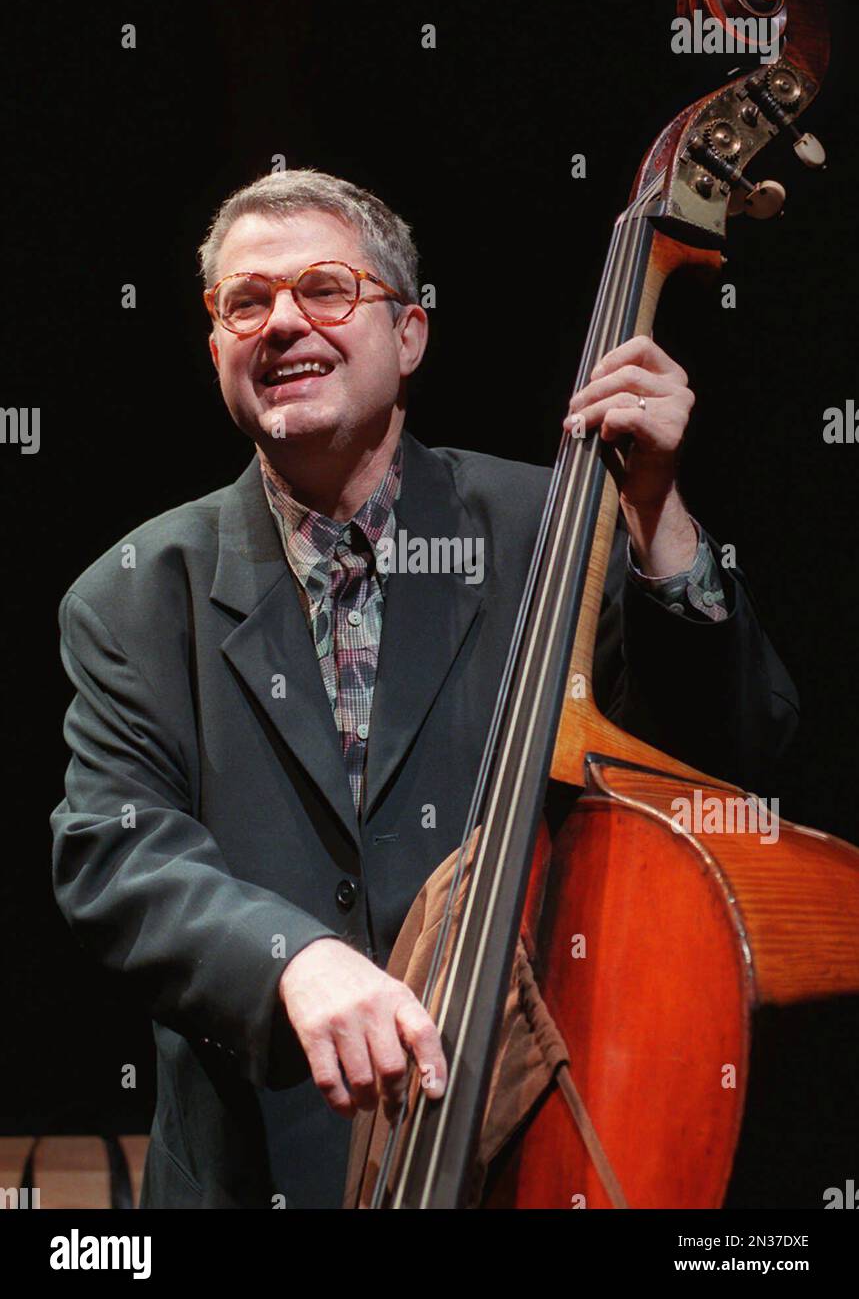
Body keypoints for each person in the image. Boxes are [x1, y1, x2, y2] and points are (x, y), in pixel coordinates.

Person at [50, 169, 798, 1209]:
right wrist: (289, 958)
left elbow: (730, 765)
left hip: (532, 1151)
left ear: (409, 336)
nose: (282, 324)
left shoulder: (558, 527)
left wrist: (658, 516)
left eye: (324, 288)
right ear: (216, 344)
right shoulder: (130, 595)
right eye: (245, 302)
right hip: (252, 1174)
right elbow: (114, 856)